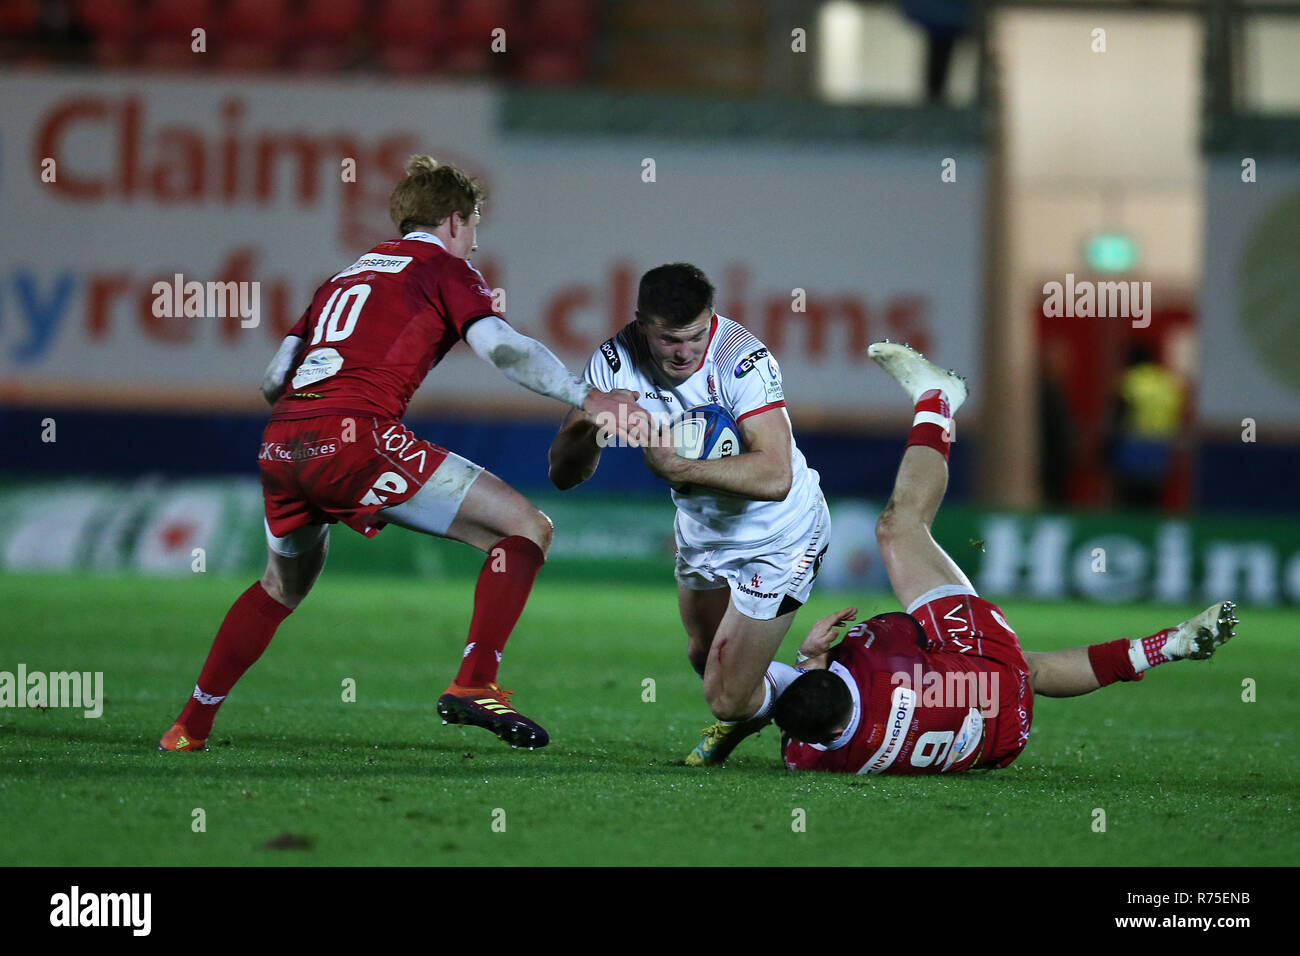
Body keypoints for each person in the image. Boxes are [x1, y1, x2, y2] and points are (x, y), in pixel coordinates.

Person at [159, 155, 646, 753]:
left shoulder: (341, 279)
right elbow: (501, 350)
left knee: (280, 587)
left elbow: (272, 379)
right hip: (355, 437)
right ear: (452, 220)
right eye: (472, 231)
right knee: (525, 527)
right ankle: (475, 682)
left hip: (283, 443)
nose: (471, 245)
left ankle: (189, 727)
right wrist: (587, 395)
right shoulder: (443, 268)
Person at [774, 341, 1237, 773]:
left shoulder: (811, 760)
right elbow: (904, 626)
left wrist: (805, 669)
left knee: (1028, 671)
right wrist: (819, 655)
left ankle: (1164, 646)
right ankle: (938, 398)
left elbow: (797, 735)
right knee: (898, 529)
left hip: (1003, 739)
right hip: (980, 667)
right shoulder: (880, 667)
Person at [547, 263, 830, 765]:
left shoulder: (742, 360)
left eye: (695, 336)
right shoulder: (615, 362)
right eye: (668, 340)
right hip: (703, 531)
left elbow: (775, 476)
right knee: (703, 652)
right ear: (641, 324)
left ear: (712, 318)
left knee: (725, 696)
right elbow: (564, 475)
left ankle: (822, 695)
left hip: (779, 534)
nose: (684, 352)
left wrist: (677, 464)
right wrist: (594, 421)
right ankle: (749, 707)